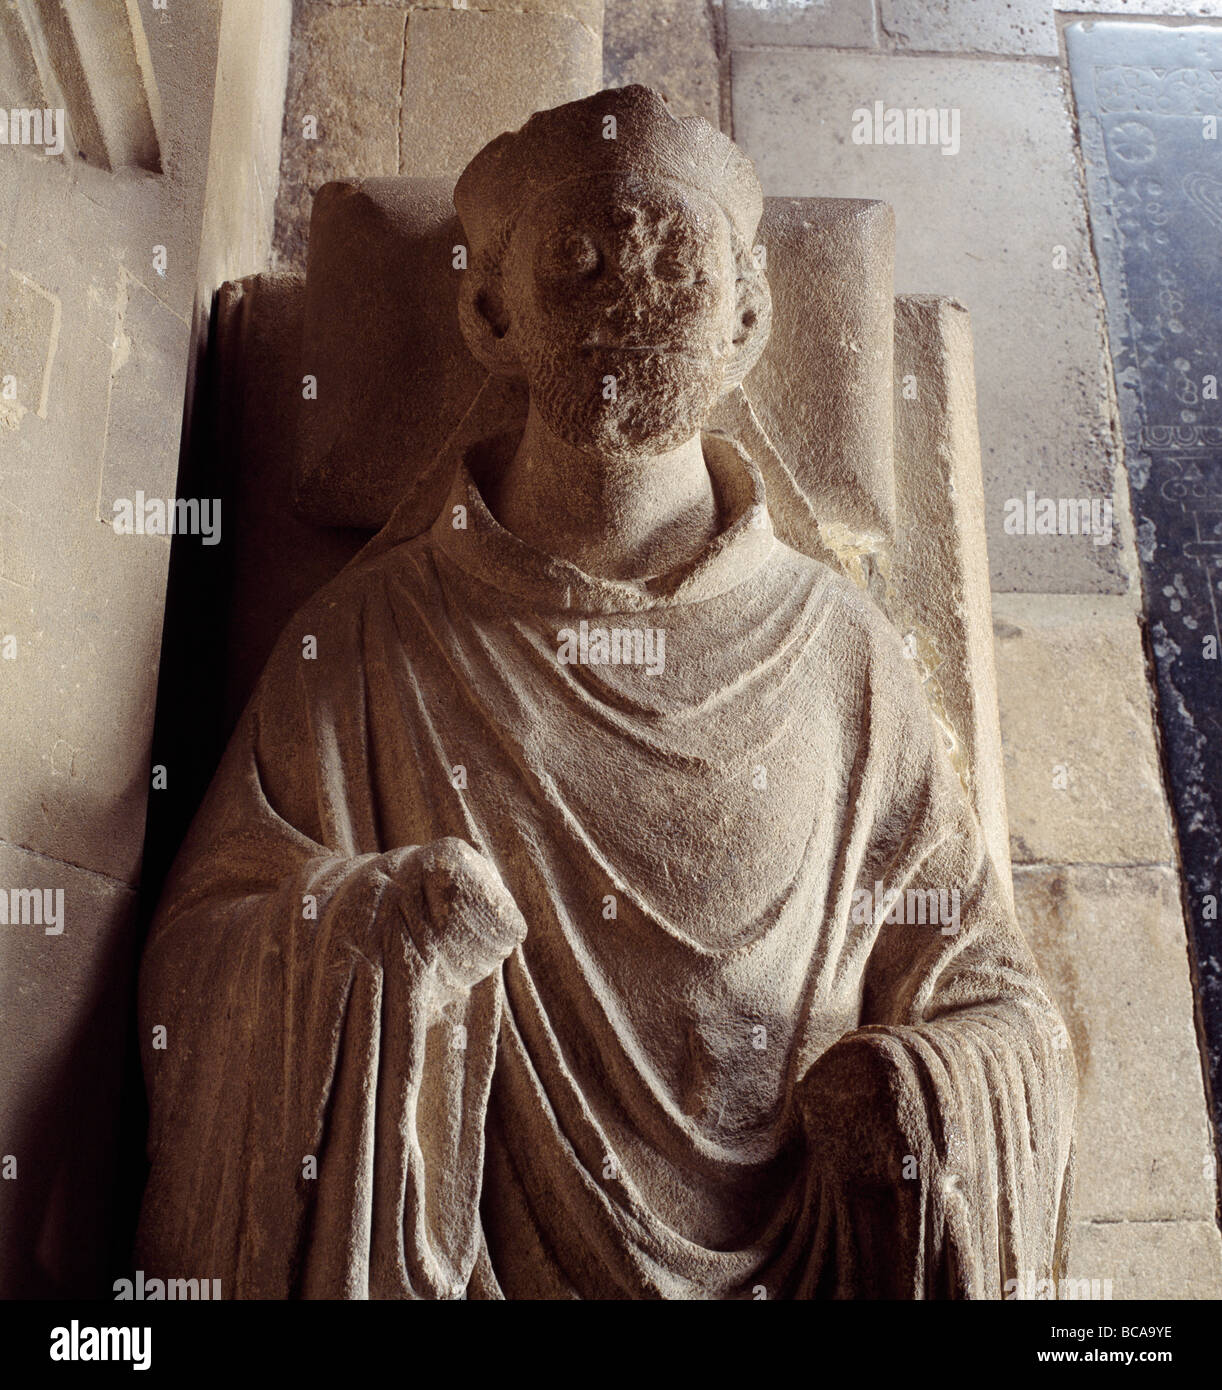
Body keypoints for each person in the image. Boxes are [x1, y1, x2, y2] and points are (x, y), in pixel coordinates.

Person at [136, 86, 1075, 1299]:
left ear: (747, 318)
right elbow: (202, 967)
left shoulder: (846, 658)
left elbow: (995, 1002)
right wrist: (379, 936)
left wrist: (913, 1095)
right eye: (577, 255)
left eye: (677, 256)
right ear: (488, 314)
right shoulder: (367, 645)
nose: (631, 291)